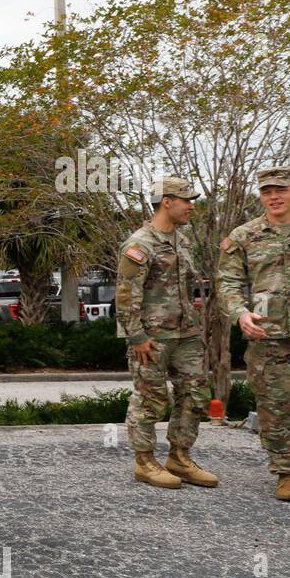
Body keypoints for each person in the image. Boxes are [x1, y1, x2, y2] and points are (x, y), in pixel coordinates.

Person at [217, 165, 290, 502]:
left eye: (281, 190)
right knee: (275, 404)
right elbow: (227, 282)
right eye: (266, 191)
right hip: (266, 333)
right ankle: (285, 470)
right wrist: (239, 313)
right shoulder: (245, 235)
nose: (273, 196)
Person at [115, 175, 217, 489]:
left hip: (186, 335)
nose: (190, 206)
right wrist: (136, 337)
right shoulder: (139, 244)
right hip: (152, 337)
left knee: (195, 394)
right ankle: (145, 462)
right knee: (150, 399)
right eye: (186, 200)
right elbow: (126, 293)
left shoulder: (182, 240)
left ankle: (180, 457)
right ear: (167, 202)